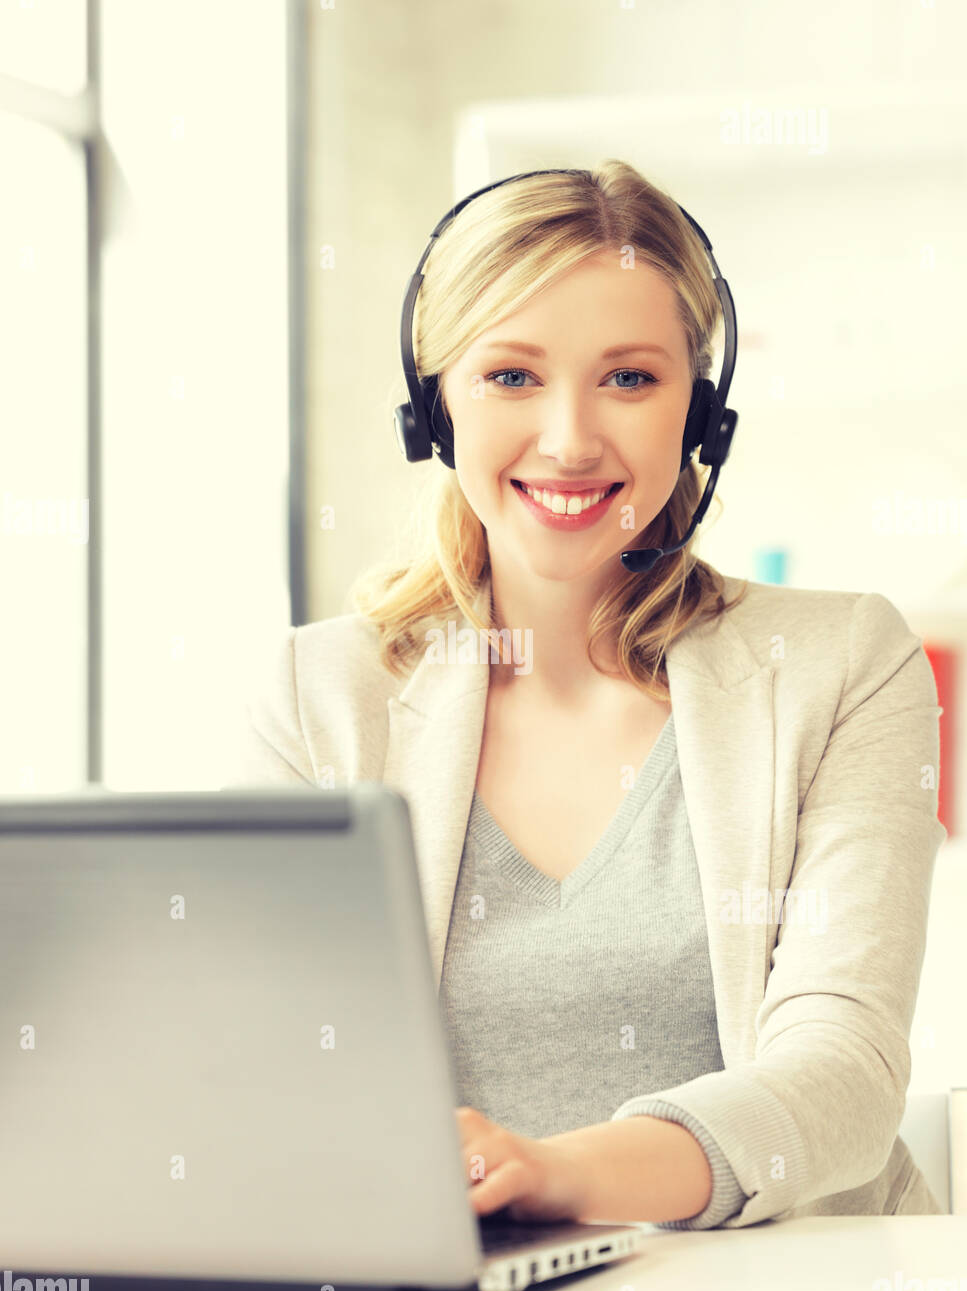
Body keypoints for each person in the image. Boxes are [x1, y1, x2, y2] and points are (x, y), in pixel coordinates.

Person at [230, 160, 946, 1229]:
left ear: (701, 414)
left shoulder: (845, 662)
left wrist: (554, 1170)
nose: (568, 439)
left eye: (628, 378)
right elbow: (271, 1067)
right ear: (435, 410)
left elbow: (843, 1071)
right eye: (511, 376)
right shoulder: (320, 696)